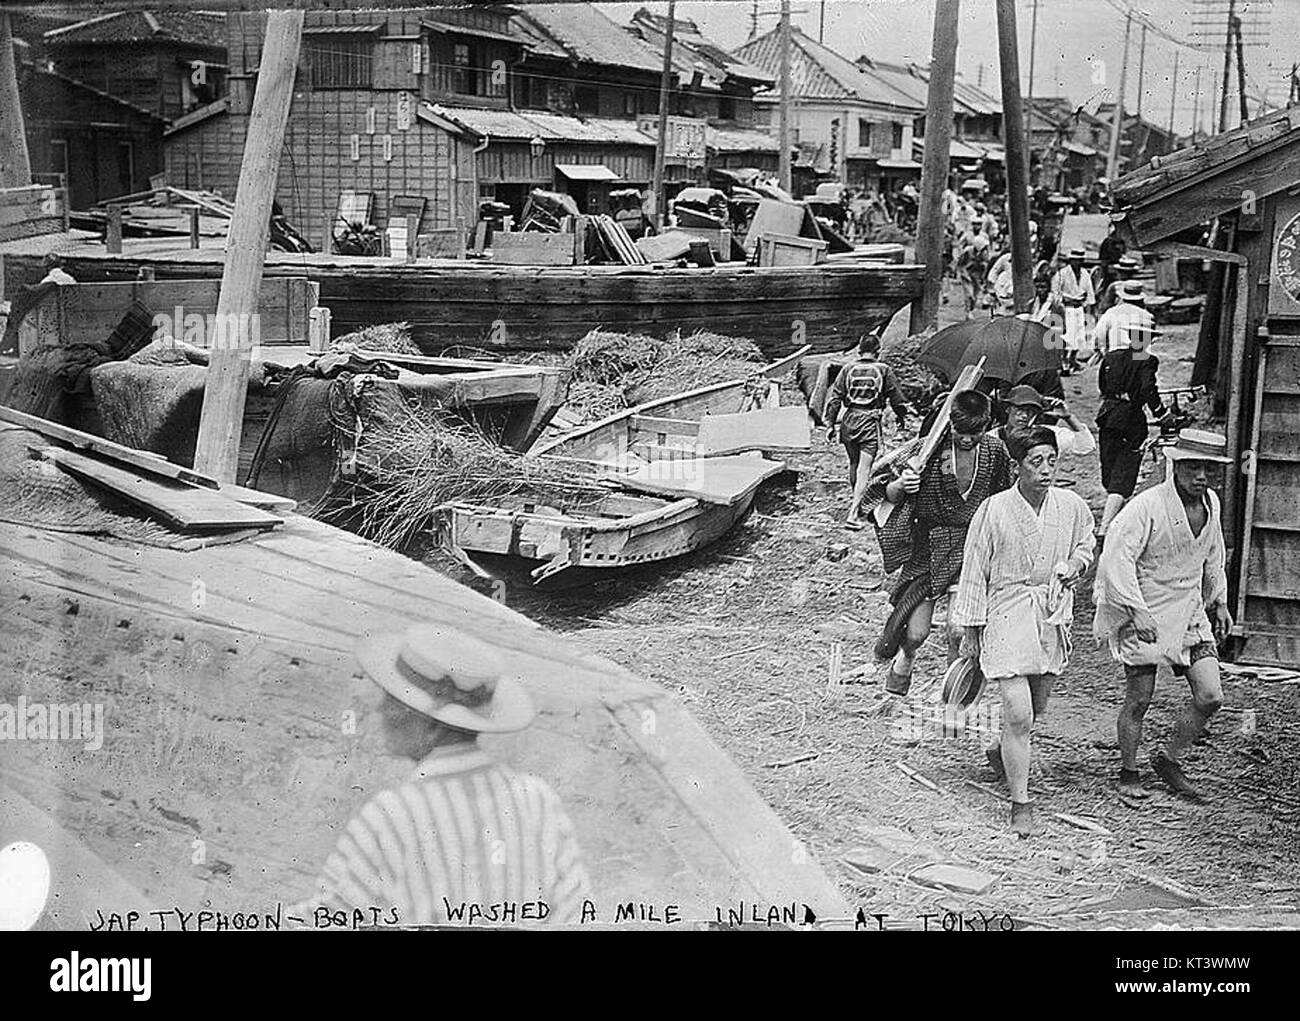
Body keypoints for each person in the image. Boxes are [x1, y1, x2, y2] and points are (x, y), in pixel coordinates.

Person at [298, 624, 591, 925]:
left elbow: (327, 918)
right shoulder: (537, 800)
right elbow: (576, 912)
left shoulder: (391, 815)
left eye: (394, 701)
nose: (381, 710)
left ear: (434, 724)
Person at [952, 426, 1096, 836]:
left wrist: (1077, 568)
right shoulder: (994, 509)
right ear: (1017, 466)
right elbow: (975, 569)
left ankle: (1002, 749)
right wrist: (972, 629)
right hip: (1005, 609)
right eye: (1036, 462)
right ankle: (1021, 802)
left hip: (1048, 611)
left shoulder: (1069, 506)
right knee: (1017, 713)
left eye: (1052, 461)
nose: (1046, 470)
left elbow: (1086, 543)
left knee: (1035, 708)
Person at [1093, 430, 1234, 801]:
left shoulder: (1212, 504)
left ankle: (1168, 758)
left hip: (1188, 608)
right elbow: (1116, 558)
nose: (1200, 476)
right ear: (1176, 465)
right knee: (1139, 698)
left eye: (1207, 468)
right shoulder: (1147, 506)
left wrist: (1219, 600)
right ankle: (1128, 770)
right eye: (1192, 467)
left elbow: (1213, 553)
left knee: (1210, 695)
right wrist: (1136, 609)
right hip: (1147, 606)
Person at [866, 390, 1013, 694]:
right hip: (929, 546)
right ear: (950, 425)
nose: (969, 440)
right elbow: (881, 489)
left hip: (971, 545)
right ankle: (905, 659)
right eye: (962, 432)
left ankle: (954, 694)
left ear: (986, 426)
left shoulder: (996, 451)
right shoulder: (926, 450)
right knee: (917, 633)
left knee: (958, 630)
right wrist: (900, 485)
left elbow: (1006, 496)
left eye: (977, 432)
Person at [823, 333, 910, 529]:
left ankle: (859, 502)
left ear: (859, 350)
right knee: (864, 469)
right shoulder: (884, 369)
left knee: (854, 464)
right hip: (869, 421)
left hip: (849, 421)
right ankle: (854, 514)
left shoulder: (847, 369)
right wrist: (901, 416)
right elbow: (896, 397)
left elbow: (835, 398)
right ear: (878, 351)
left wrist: (829, 424)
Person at [1095, 323, 1170, 540]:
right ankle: (1106, 527)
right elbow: (1148, 389)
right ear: (1147, 340)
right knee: (1125, 470)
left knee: (1109, 467)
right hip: (1130, 419)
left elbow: (1102, 385)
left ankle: (1113, 513)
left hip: (1108, 415)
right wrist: (1161, 413)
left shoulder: (1112, 357)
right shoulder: (1146, 360)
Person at [993, 384, 1096, 459]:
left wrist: (1069, 417)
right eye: (1019, 409)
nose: (1024, 415)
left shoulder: (1045, 435)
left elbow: (1086, 446)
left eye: (1030, 411)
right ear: (1008, 409)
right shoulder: (993, 437)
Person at [1050, 247, 1096, 375]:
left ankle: (1072, 360)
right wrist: (1062, 305)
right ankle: (1064, 362)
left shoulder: (1085, 274)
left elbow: (1090, 294)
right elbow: (1055, 293)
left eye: (1080, 260)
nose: (1078, 263)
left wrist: (1088, 311)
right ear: (1070, 260)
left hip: (1079, 308)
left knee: (1079, 337)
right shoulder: (1061, 274)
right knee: (1067, 337)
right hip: (1066, 309)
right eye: (1075, 260)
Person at [1090, 280, 1153, 359]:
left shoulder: (1111, 313)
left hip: (1116, 358)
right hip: (1140, 359)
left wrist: (1103, 351)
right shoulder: (1147, 316)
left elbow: (1099, 337)